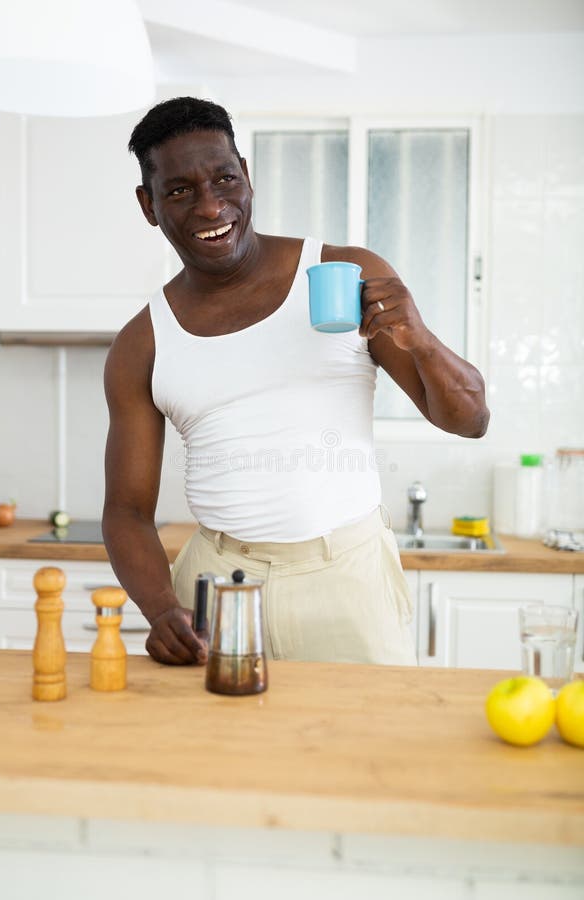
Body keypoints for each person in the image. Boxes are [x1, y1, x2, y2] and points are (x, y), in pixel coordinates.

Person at [102, 97, 489, 668]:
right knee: (213, 756)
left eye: (224, 179)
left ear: (247, 177)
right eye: (180, 191)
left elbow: (470, 419)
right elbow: (127, 511)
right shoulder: (143, 343)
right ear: (149, 205)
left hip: (347, 579)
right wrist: (161, 610)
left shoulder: (346, 275)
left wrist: (420, 338)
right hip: (214, 584)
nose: (211, 207)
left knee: (369, 753)